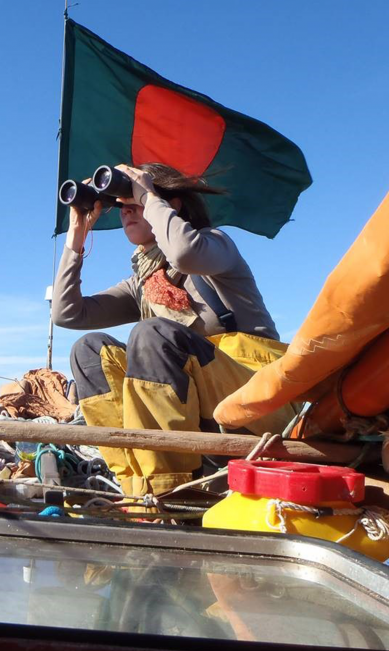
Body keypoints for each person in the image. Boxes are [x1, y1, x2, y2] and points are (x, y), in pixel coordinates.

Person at [53, 163, 296, 498]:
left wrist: (147, 193)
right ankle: (139, 487)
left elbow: (183, 253)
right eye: (121, 205)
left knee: (152, 334)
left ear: (171, 205)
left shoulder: (214, 246)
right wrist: (77, 235)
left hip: (258, 398)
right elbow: (67, 313)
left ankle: (172, 494)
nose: (126, 211)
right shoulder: (142, 283)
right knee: (90, 350)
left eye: (134, 202)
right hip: (199, 409)